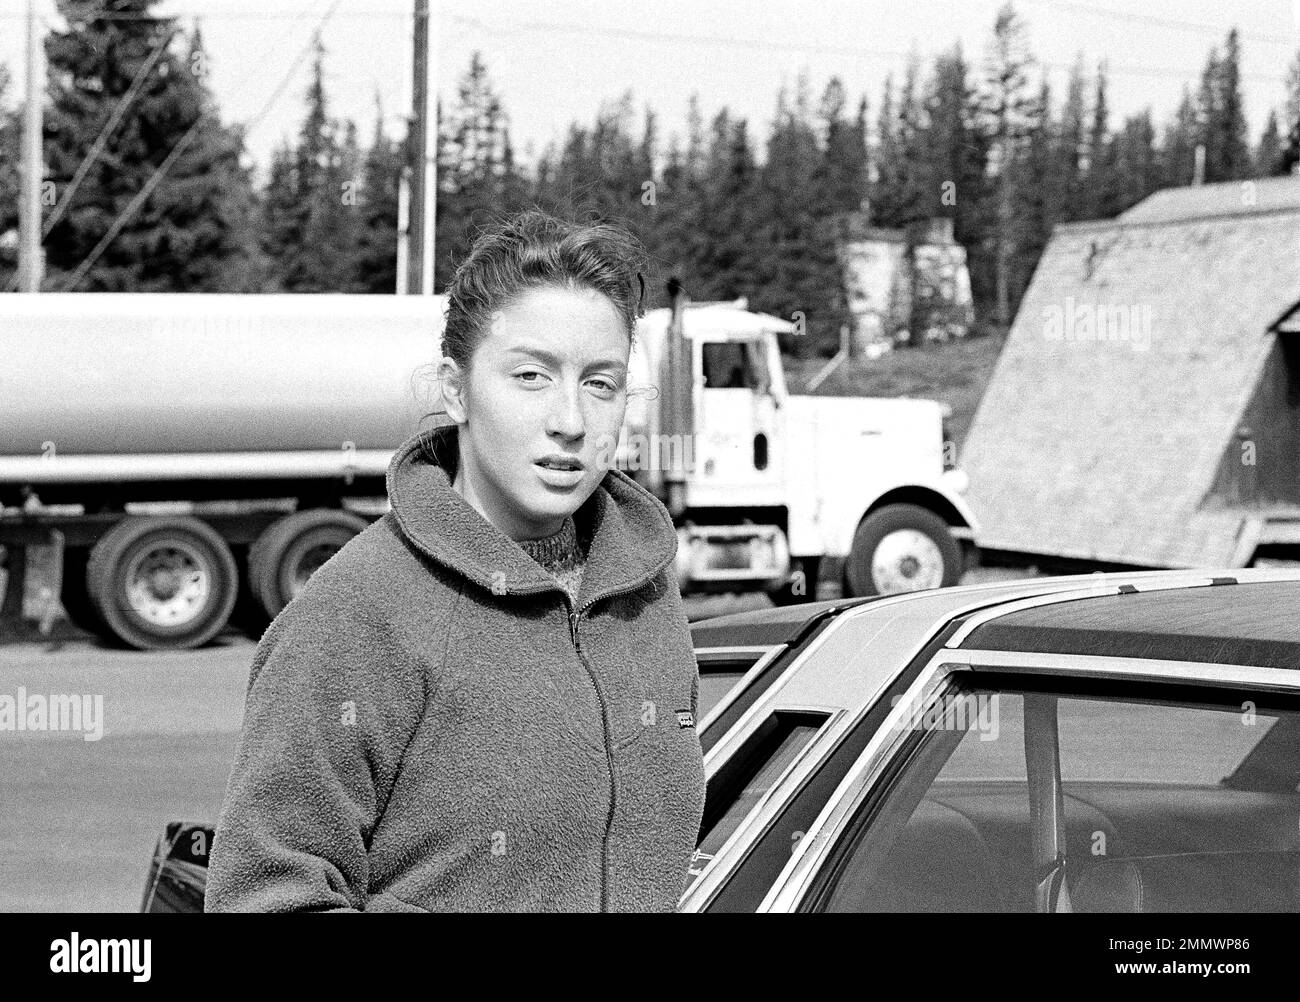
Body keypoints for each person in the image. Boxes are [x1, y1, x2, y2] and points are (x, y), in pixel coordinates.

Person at [204, 210, 706, 912]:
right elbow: (264, 901)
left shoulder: (645, 594)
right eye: (531, 376)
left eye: (600, 383)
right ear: (455, 387)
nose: (570, 419)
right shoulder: (357, 610)